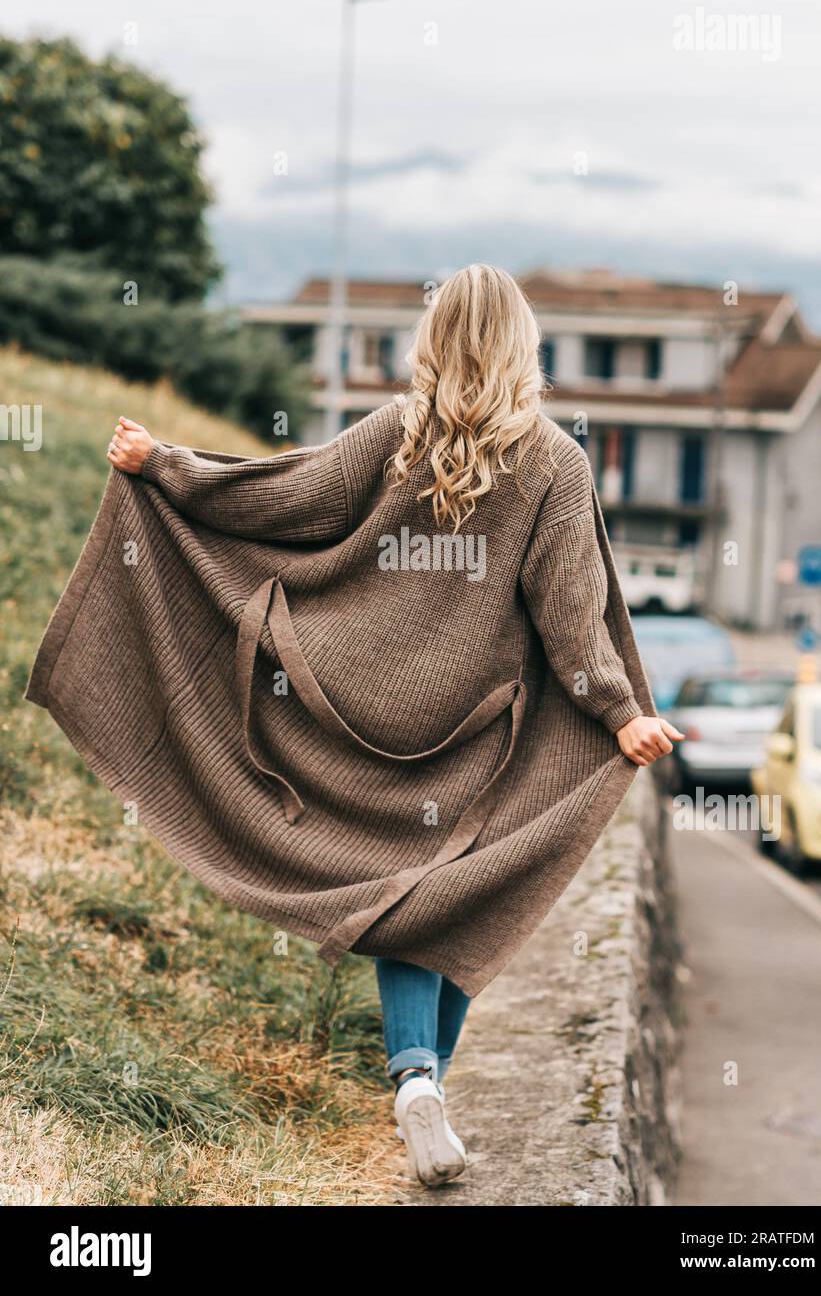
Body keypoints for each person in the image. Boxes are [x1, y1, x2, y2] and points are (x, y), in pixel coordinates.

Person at [104, 264, 683, 1188]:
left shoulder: (394, 433)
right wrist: (620, 714)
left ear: (435, 340)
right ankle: (425, 1083)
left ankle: (421, 1089)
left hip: (353, 698)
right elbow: (572, 621)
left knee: (402, 896)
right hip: (470, 726)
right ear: (523, 348)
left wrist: (166, 466)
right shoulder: (553, 464)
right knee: (449, 899)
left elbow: (282, 500)